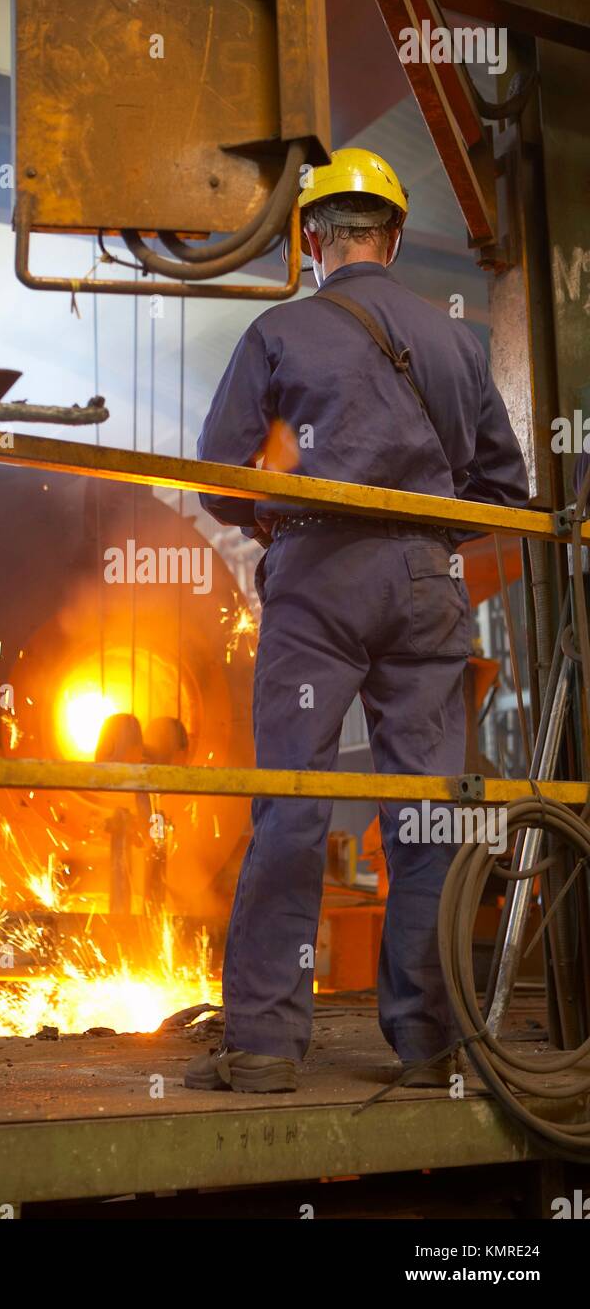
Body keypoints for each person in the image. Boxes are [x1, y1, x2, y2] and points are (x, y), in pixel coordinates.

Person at [186, 148, 529, 1094]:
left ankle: (262, 1044)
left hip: (318, 583)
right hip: (427, 586)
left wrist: (276, 517)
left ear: (310, 237)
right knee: (426, 812)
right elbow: (506, 491)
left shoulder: (282, 329)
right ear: (397, 235)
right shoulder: (458, 343)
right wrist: (426, 528)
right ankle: (426, 1046)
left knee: (293, 803)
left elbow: (221, 475)